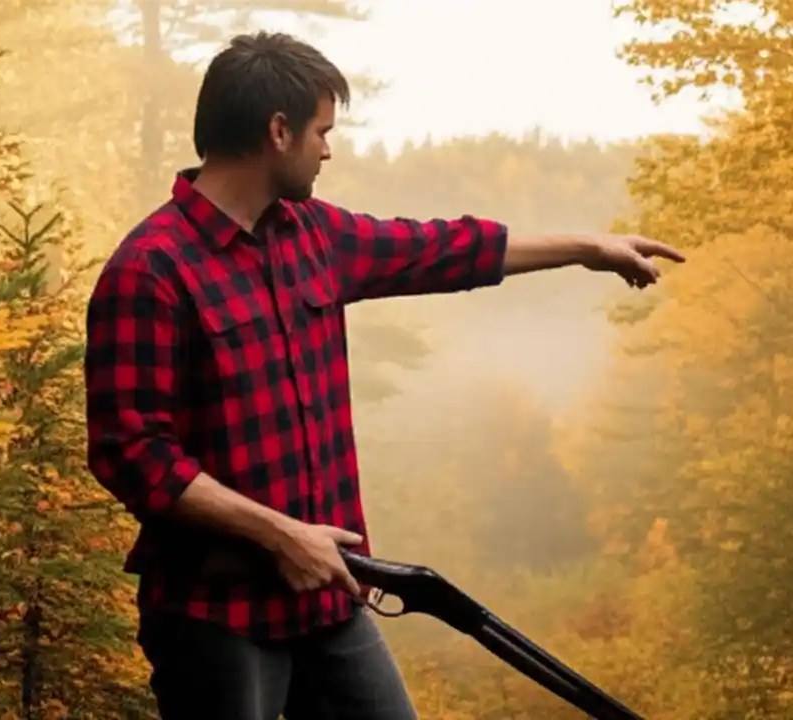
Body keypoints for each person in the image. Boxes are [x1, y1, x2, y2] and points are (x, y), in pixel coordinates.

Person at [83, 30, 684, 720]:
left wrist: (587, 247)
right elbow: (131, 454)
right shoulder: (150, 271)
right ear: (278, 132)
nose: (329, 150)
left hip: (331, 599)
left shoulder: (315, 235)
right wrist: (283, 536)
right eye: (321, 131)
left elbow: (444, 249)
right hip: (216, 617)